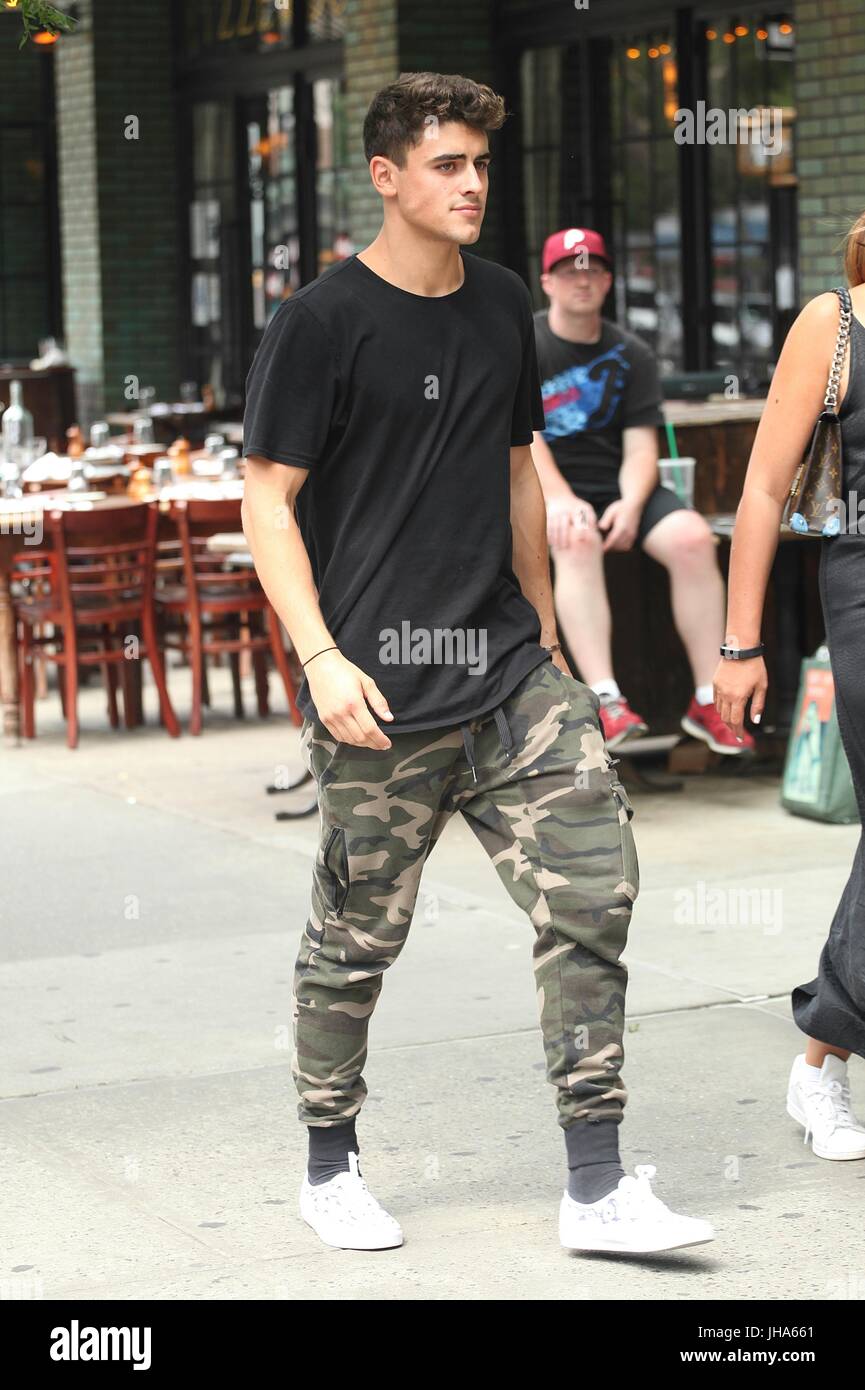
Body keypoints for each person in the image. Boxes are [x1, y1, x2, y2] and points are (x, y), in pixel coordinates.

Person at [241, 71, 714, 1255]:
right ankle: (329, 1162)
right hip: (378, 687)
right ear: (385, 177)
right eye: (447, 164)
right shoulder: (319, 322)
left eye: (482, 165)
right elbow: (267, 503)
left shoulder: (503, 300)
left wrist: (544, 628)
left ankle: (596, 1182)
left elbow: (515, 471)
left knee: (593, 893)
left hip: (509, 673)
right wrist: (320, 658)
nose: (472, 185)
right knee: (356, 939)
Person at [714, 209, 865, 1162]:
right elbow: (764, 489)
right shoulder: (835, 323)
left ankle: (821, 1058)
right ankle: (818, 1063)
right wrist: (739, 644)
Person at [532, 227, 754, 755]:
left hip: (619, 484)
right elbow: (523, 437)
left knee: (692, 536)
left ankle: (708, 699)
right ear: (547, 282)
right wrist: (559, 498)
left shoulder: (632, 352)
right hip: (548, 486)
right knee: (576, 537)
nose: (582, 281)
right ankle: (606, 700)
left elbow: (640, 448)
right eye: (569, 272)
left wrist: (631, 506)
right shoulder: (526, 345)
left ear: (608, 281)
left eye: (593, 270)